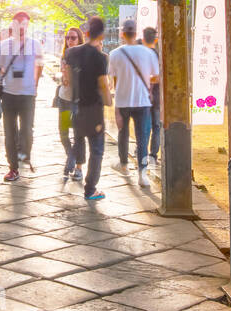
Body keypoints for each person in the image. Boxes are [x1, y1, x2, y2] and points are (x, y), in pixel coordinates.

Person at [63, 16, 112, 202]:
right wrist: (109, 101)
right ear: (102, 35)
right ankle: (90, 188)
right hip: (94, 108)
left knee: (78, 139)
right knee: (97, 150)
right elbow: (103, 85)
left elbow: (67, 77)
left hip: (76, 104)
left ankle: (73, 168)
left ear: (87, 33)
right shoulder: (100, 58)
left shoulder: (72, 53)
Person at [108, 18, 160, 190]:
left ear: (122, 34)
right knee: (142, 138)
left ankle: (123, 165)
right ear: (137, 33)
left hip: (122, 101)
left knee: (123, 133)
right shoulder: (148, 53)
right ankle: (142, 174)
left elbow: (112, 78)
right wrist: (147, 84)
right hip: (142, 101)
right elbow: (156, 76)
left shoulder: (115, 54)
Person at [0, 11, 42, 181]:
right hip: (9, 94)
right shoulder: (4, 45)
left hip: (28, 94)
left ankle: (24, 153)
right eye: (18, 23)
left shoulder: (35, 44)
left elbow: (40, 65)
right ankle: (13, 167)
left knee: (27, 129)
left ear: (28, 25)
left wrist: (35, 84)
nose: (21, 27)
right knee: (9, 132)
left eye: (24, 24)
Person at [55, 25, 85, 181]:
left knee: (78, 135)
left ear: (80, 39)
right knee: (64, 133)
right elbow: (65, 80)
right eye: (67, 37)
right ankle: (71, 158)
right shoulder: (64, 56)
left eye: (73, 37)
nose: (70, 40)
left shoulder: (85, 57)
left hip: (79, 101)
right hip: (65, 99)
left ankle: (78, 168)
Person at [142, 26, 162, 165]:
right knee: (155, 126)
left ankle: (143, 152)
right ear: (155, 39)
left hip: (142, 95)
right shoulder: (157, 54)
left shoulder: (140, 54)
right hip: (156, 95)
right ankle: (153, 155)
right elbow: (158, 76)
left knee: (144, 125)